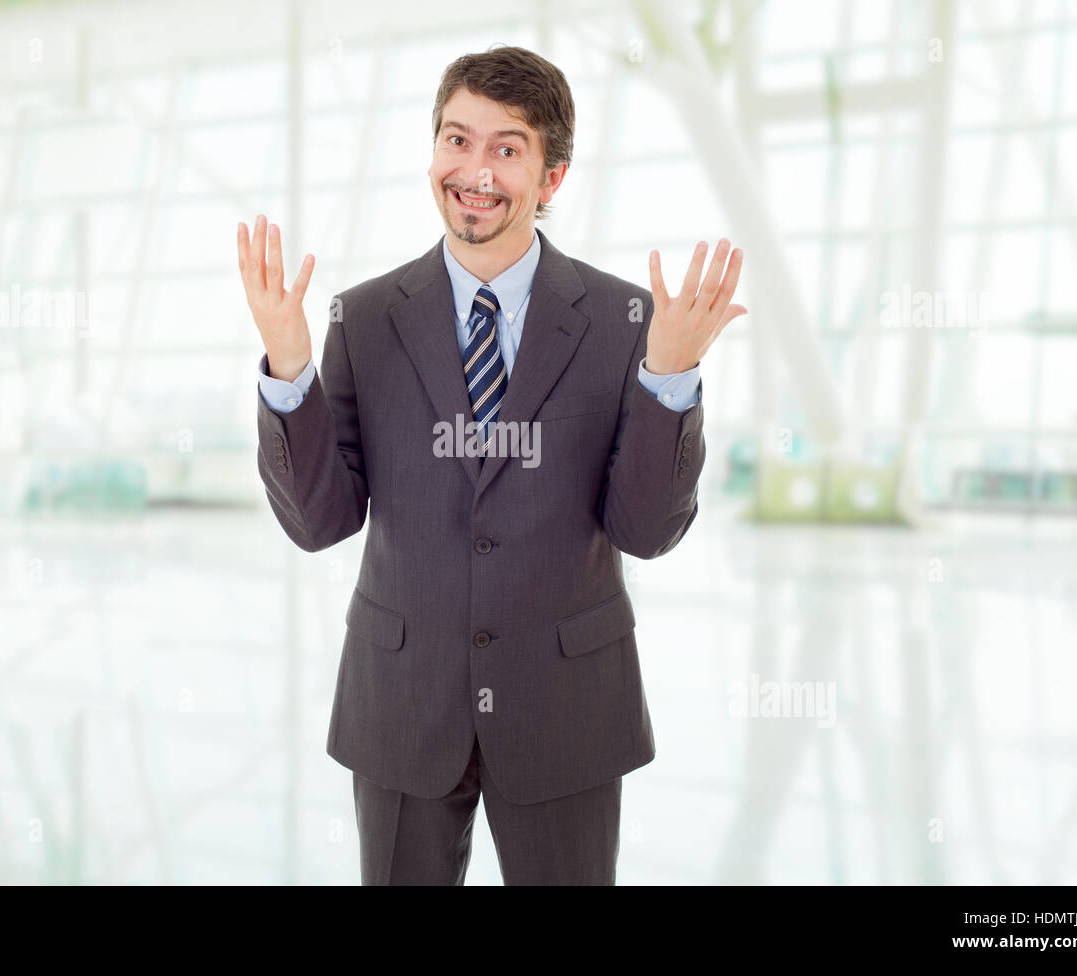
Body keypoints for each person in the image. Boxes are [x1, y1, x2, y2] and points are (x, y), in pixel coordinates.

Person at [236, 45, 745, 884]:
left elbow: (645, 532)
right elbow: (322, 523)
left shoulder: (626, 323)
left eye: (507, 148)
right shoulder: (361, 321)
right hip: (404, 697)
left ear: (551, 180)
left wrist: (670, 375)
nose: (475, 170)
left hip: (566, 704)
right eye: (456, 140)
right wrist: (291, 370)